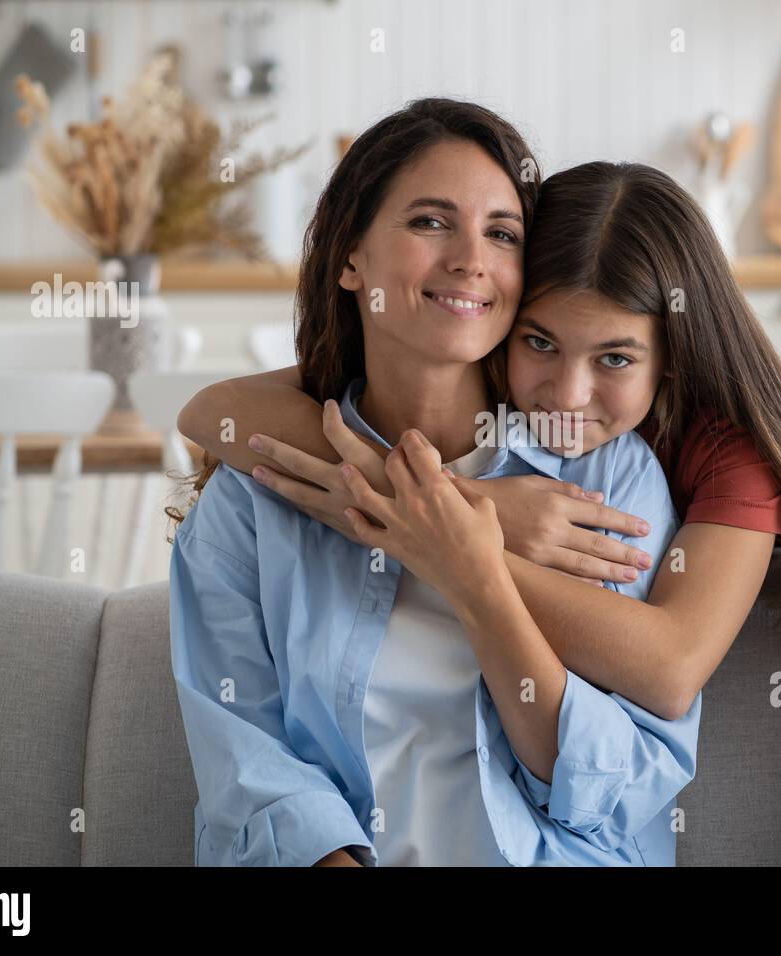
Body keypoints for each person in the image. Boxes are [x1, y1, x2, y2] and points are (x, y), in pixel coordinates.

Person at [167, 99, 697, 867]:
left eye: (502, 233)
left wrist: (472, 570)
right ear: (351, 257)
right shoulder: (254, 496)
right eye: (429, 222)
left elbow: (611, 791)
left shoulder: (608, 480)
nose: (470, 259)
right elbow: (249, 779)